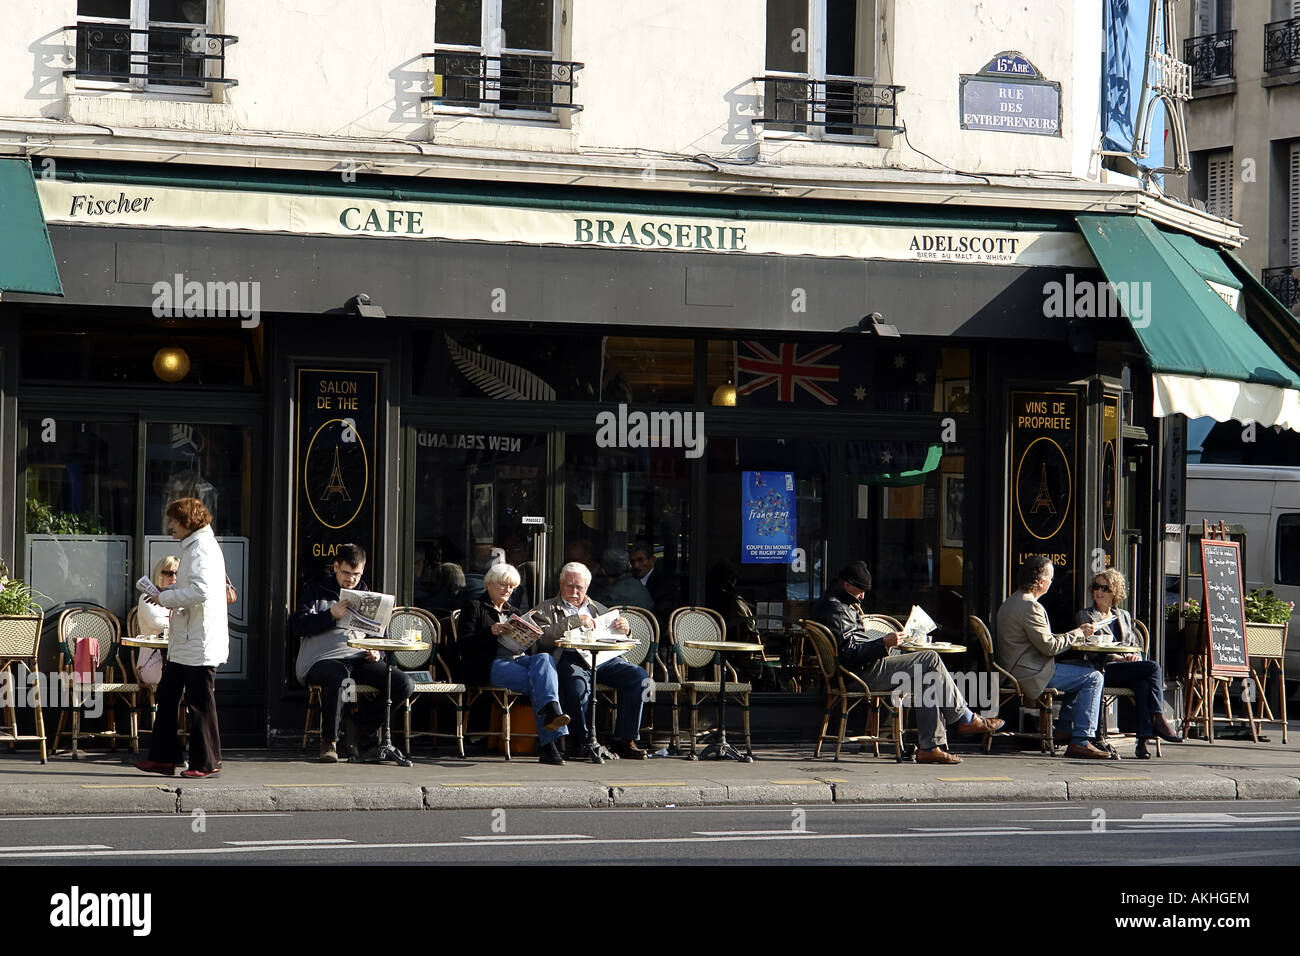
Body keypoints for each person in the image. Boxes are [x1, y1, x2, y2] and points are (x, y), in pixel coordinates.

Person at [812, 561, 1003, 765]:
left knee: (927, 677)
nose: (862, 597)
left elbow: (850, 645)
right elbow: (849, 654)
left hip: (859, 670)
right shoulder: (837, 609)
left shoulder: (833, 601)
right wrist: (883, 643)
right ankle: (965, 718)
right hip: (859, 675)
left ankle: (930, 748)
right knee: (929, 658)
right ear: (847, 585)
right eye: (860, 591)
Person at [290, 543, 414, 763]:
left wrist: (377, 652)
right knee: (338, 677)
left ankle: (358, 726)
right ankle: (330, 742)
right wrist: (330, 615)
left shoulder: (367, 596)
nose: (350, 579)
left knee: (403, 683)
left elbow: (380, 637)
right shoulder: (316, 591)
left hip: (358, 658)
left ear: (362, 571)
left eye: (356, 574)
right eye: (346, 572)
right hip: (322, 659)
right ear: (336, 567)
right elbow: (298, 626)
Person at [134, 497, 228, 779]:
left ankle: (207, 762)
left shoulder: (201, 550)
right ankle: (163, 758)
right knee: (168, 694)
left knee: (199, 701)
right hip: (188, 638)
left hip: (198, 639)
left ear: (189, 522)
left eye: (175, 520)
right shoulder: (196, 546)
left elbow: (201, 592)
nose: (171, 525)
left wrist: (165, 597)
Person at [456, 563, 571, 765]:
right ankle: (549, 741)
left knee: (544, 659)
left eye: (511, 587)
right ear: (489, 584)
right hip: (489, 663)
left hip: (517, 659)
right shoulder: (474, 606)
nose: (507, 590)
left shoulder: (515, 612)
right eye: (503, 585)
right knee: (541, 685)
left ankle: (551, 711)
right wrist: (490, 632)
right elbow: (464, 645)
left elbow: (531, 651)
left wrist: (529, 638)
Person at [533, 562, 648, 760]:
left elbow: (616, 637)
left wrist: (625, 629)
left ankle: (624, 738)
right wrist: (575, 620)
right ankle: (581, 740)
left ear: (587, 587)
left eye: (580, 587)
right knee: (576, 686)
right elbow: (541, 639)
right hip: (569, 657)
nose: (575, 592)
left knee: (640, 677)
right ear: (560, 584)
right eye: (570, 586)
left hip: (602, 657)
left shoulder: (599, 607)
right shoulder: (545, 608)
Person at [996, 555, 1108, 759]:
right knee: (1094, 678)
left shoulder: (1012, 601)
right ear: (1040, 582)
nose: (1051, 582)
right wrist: (1079, 633)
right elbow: (1049, 647)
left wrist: (1073, 633)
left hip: (1019, 668)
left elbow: (1040, 640)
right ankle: (1081, 740)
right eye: (1050, 578)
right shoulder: (1031, 607)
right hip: (1029, 674)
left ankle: (1064, 729)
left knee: (1083, 668)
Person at [1076, 568, 1182, 758]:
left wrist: (1134, 657)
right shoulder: (1087, 616)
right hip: (1103, 671)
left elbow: (1133, 645)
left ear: (1114, 592)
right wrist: (1123, 658)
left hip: (1126, 670)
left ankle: (1142, 743)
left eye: (1105, 588)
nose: (1099, 592)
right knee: (1153, 667)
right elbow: (1094, 653)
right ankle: (1158, 717)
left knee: (1142, 685)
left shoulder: (1123, 615)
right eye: (1096, 587)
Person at [134, 554, 177, 688]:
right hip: (151, 661)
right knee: (179, 677)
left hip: (176, 658)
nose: (174, 578)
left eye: (177, 574)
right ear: (159, 574)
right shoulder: (147, 598)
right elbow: (157, 624)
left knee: (196, 675)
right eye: (169, 573)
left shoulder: (179, 599)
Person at [629, 541, 679, 627]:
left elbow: (663, 615)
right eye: (632, 561)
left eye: (640, 560)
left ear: (652, 560)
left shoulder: (663, 584)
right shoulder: (629, 580)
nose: (636, 565)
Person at [589, 548, 655, 612]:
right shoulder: (642, 588)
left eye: (640, 560)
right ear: (629, 565)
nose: (636, 565)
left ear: (603, 571)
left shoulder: (606, 596)